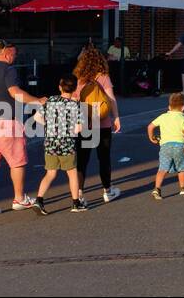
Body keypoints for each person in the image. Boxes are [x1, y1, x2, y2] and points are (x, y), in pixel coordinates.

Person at [0, 40, 46, 213]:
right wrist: (37, 100)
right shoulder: (8, 70)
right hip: (8, 121)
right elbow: (15, 92)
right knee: (17, 161)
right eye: (14, 53)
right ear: (7, 53)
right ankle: (19, 198)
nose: (15, 57)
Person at [74, 46, 121, 203]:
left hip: (85, 123)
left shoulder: (78, 77)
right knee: (104, 158)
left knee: (82, 159)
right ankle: (107, 190)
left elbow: (73, 100)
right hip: (102, 121)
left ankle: (79, 193)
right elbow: (110, 97)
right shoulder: (103, 76)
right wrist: (116, 117)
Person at [32, 76, 85, 214]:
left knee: (50, 173)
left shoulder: (50, 100)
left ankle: (39, 200)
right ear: (74, 89)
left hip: (50, 143)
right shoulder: (76, 105)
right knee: (72, 174)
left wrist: (50, 126)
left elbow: (37, 117)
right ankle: (75, 203)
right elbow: (79, 128)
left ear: (60, 87)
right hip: (67, 144)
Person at [148, 93, 184, 199]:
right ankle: (183, 188)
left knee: (162, 168)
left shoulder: (163, 117)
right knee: (181, 168)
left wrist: (152, 137)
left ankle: (157, 189)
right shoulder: (183, 119)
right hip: (179, 146)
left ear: (169, 107)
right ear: (183, 108)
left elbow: (150, 126)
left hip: (165, 146)